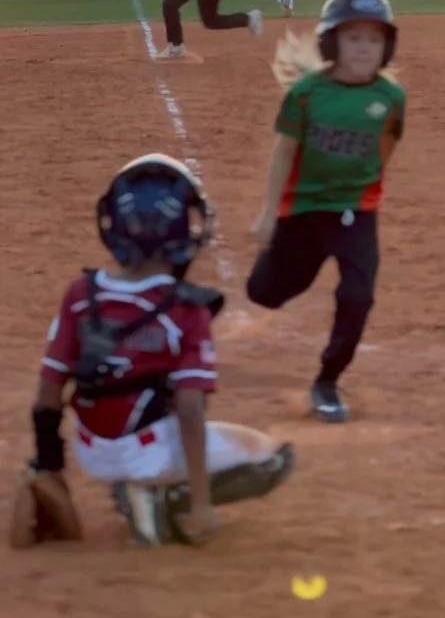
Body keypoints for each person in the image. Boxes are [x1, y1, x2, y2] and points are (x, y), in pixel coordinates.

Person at [10, 154, 294, 550]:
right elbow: (190, 410)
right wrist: (201, 502)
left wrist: (47, 466)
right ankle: (162, 499)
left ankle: (141, 492)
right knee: (274, 457)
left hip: (91, 450)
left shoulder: (80, 295)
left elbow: (47, 394)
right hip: (150, 453)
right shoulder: (187, 308)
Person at [246, 0, 405, 423]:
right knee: (266, 292)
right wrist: (268, 213)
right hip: (304, 211)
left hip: (356, 212)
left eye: (374, 40)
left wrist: (363, 189)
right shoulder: (306, 94)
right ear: (332, 44)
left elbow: (385, 146)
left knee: (358, 295)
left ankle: (327, 381)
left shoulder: (391, 99)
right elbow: (283, 152)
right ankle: (272, 273)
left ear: (386, 48)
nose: (364, 48)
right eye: (353, 38)